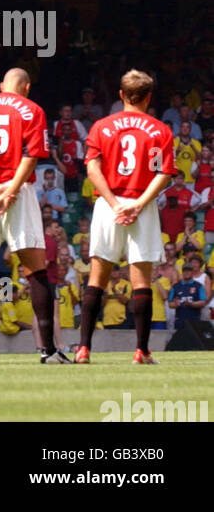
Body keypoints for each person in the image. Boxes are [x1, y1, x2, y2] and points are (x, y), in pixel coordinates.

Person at [0, 67, 70, 363]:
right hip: (19, 190)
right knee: (36, 270)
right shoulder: (33, 110)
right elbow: (32, 156)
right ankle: (48, 351)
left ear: (0, 85)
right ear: (27, 87)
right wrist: (10, 191)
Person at [75, 70, 174, 365]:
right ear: (148, 97)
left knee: (97, 277)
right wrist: (139, 204)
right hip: (141, 206)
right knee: (141, 280)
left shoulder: (102, 127)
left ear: (121, 95)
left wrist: (114, 203)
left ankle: (83, 349)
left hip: (109, 205)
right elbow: (163, 174)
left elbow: (92, 169)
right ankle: (141, 351)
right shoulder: (159, 130)